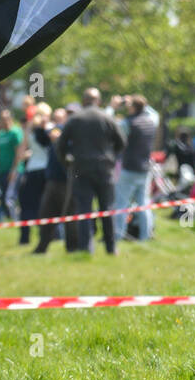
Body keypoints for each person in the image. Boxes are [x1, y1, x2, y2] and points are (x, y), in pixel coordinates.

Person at [57, 87, 125, 255]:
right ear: (99, 101)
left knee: (84, 210)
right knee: (107, 209)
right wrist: (112, 157)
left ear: (83, 101)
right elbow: (121, 142)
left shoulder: (75, 119)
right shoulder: (107, 118)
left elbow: (60, 145)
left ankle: (85, 248)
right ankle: (111, 247)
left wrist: (67, 162)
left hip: (81, 169)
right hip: (105, 169)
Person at [115, 95, 158, 242]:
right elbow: (154, 113)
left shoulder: (127, 123)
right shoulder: (152, 121)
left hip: (129, 168)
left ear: (132, 107)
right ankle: (145, 236)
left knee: (121, 204)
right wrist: (141, 103)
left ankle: (118, 235)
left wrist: (117, 106)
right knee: (144, 204)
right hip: (145, 168)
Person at [32, 107, 71, 254]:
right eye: (55, 118)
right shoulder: (53, 131)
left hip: (67, 181)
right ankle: (42, 247)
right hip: (52, 180)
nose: (56, 121)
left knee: (69, 216)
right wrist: (40, 127)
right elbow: (41, 139)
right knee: (46, 214)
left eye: (59, 118)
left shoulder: (69, 131)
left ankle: (72, 248)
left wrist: (56, 135)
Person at [16, 102, 52, 246]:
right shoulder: (49, 127)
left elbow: (21, 152)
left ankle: (24, 238)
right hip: (45, 170)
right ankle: (47, 235)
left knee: (27, 205)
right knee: (45, 205)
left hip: (31, 170)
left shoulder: (29, 128)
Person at [0, 107, 23, 221]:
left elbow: (19, 153)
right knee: (3, 196)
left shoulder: (16, 132)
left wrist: (14, 170)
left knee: (10, 197)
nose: (3, 121)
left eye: (5, 118)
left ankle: (15, 220)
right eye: (1, 119)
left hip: (14, 170)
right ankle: (5, 219)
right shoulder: (0, 134)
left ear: (10, 119)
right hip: (2, 170)